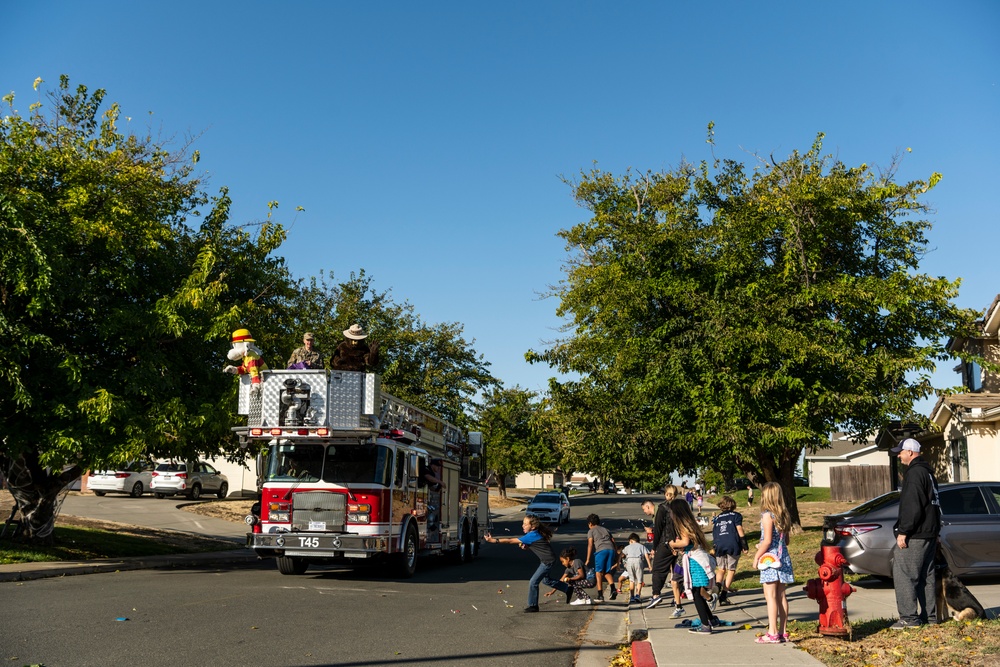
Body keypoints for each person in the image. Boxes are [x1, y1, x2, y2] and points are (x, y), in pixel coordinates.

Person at [890, 438, 941, 629]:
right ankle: (930, 617)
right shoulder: (928, 473)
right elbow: (935, 504)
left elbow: (913, 506)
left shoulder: (914, 473)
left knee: (905, 574)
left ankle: (909, 619)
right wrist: (936, 531)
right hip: (929, 533)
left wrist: (903, 531)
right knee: (927, 577)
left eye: (901, 452)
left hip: (916, 534)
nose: (899, 455)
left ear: (910, 452)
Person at [484, 516, 570, 613]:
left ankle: (533, 606)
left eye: (525, 524)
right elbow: (536, 546)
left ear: (532, 526)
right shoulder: (533, 534)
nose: (523, 526)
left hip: (547, 561)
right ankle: (567, 589)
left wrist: (493, 540)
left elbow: (510, 540)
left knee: (533, 582)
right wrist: (526, 547)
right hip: (548, 560)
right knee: (546, 581)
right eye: (523, 523)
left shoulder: (531, 535)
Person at [752, 482, 794, 644]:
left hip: (770, 561)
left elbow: (768, 540)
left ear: (766, 497)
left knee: (770, 596)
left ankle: (772, 632)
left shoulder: (767, 515)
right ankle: (783, 631)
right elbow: (786, 541)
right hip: (783, 558)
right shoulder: (784, 515)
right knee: (781, 595)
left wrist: (757, 556)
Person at [669, 498, 717, 635]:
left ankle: (705, 625)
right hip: (698, 559)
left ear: (677, 512)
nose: (671, 515)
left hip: (695, 562)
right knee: (698, 592)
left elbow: (685, 542)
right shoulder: (690, 524)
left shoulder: (682, 525)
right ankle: (711, 620)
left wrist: (673, 544)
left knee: (696, 593)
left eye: (671, 512)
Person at [643, 485, 684, 615]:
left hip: (666, 543)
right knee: (676, 572)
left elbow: (659, 529)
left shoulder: (663, 508)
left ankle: (656, 595)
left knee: (658, 570)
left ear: (667, 494)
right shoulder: (681, 506)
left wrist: (655, 547)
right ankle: (676, 597)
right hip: (680, 542)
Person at [712, 495, 748, 605]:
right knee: (731, 569)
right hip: (732, 544)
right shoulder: (736, 516)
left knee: (721, 569)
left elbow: (715, 532)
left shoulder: (717, 518)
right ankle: (723, 595)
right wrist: (744, 545)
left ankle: (717, 585)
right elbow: (739, 529)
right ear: (733, 505)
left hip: (719, 544)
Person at [585, 513, 618, 601]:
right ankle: (613, 589)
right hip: (611, 550)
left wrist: (588, 559)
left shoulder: (591, 531)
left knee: (598, 573)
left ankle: (600, 595)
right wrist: (616, 555)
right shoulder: (605, 529)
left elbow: (590, 544)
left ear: (590, 523)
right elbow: (613, 541)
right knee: (606, 571)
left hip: (601, 551)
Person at [620, 532, 653, 604]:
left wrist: (617, 564)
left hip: (629, 561)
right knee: (639, 580)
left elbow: (621, 554)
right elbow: (647, 556)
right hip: (638, 561)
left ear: (631, 540)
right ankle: (637, 595)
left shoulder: (627, 547)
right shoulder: (641, 546)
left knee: (632, 580)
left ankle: (632, 597)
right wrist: (649, 566)